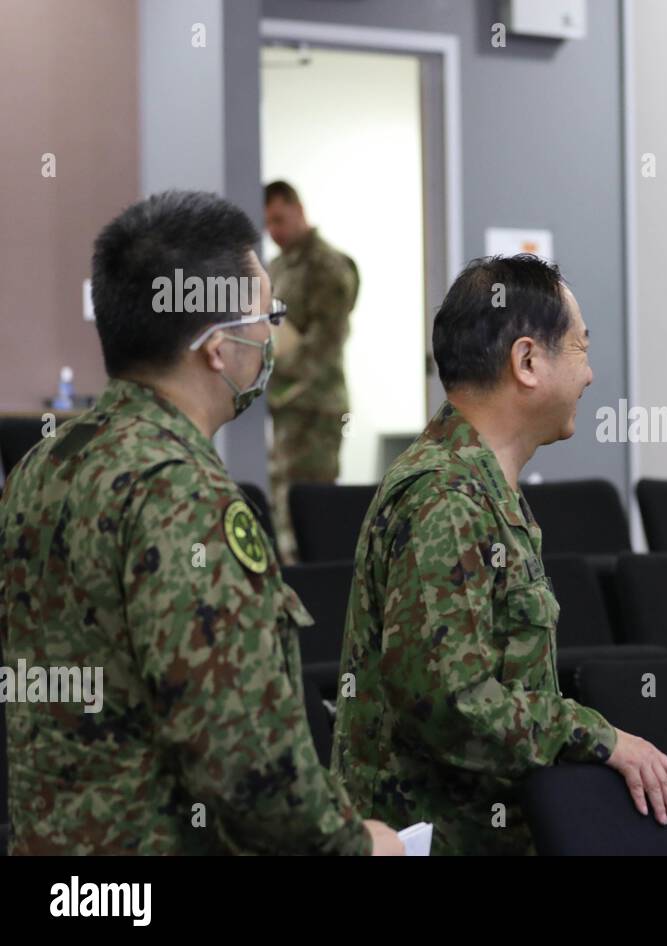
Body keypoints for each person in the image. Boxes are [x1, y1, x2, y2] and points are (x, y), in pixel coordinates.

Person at [0, 190, 401, 855]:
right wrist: (353, 845)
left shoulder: (42, 464)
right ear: (217, 347)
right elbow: (243, 754)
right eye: (267, 316)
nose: (272, 336)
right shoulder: (185, 494)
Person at [332, 255, 667, 854]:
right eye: (579, 349)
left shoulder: (481, 487)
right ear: (527, 361)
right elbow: (448, 701)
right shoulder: (447, 497)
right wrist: (601, 739)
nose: (591, 374)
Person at [263, 181, 360, 562]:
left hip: (316, 408)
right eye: (267, 223)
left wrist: (275, 370)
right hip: (285, 407)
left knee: (312, 516)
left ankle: (319, 599)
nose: (274, 230)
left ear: (298, 209)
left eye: (279, 219)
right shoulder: (277, 266)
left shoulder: (327, 266)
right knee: (282, 509)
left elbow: (325, 343)